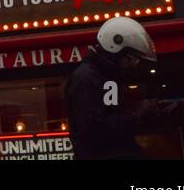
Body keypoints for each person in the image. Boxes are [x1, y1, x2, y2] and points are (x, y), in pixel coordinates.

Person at [65, 15, 172, 159]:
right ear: (114, 50)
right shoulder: (87, 78)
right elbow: (94, 129)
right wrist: (140, 116)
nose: (134, 64)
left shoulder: (104, 76)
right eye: (130, 58)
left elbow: (111, 121)